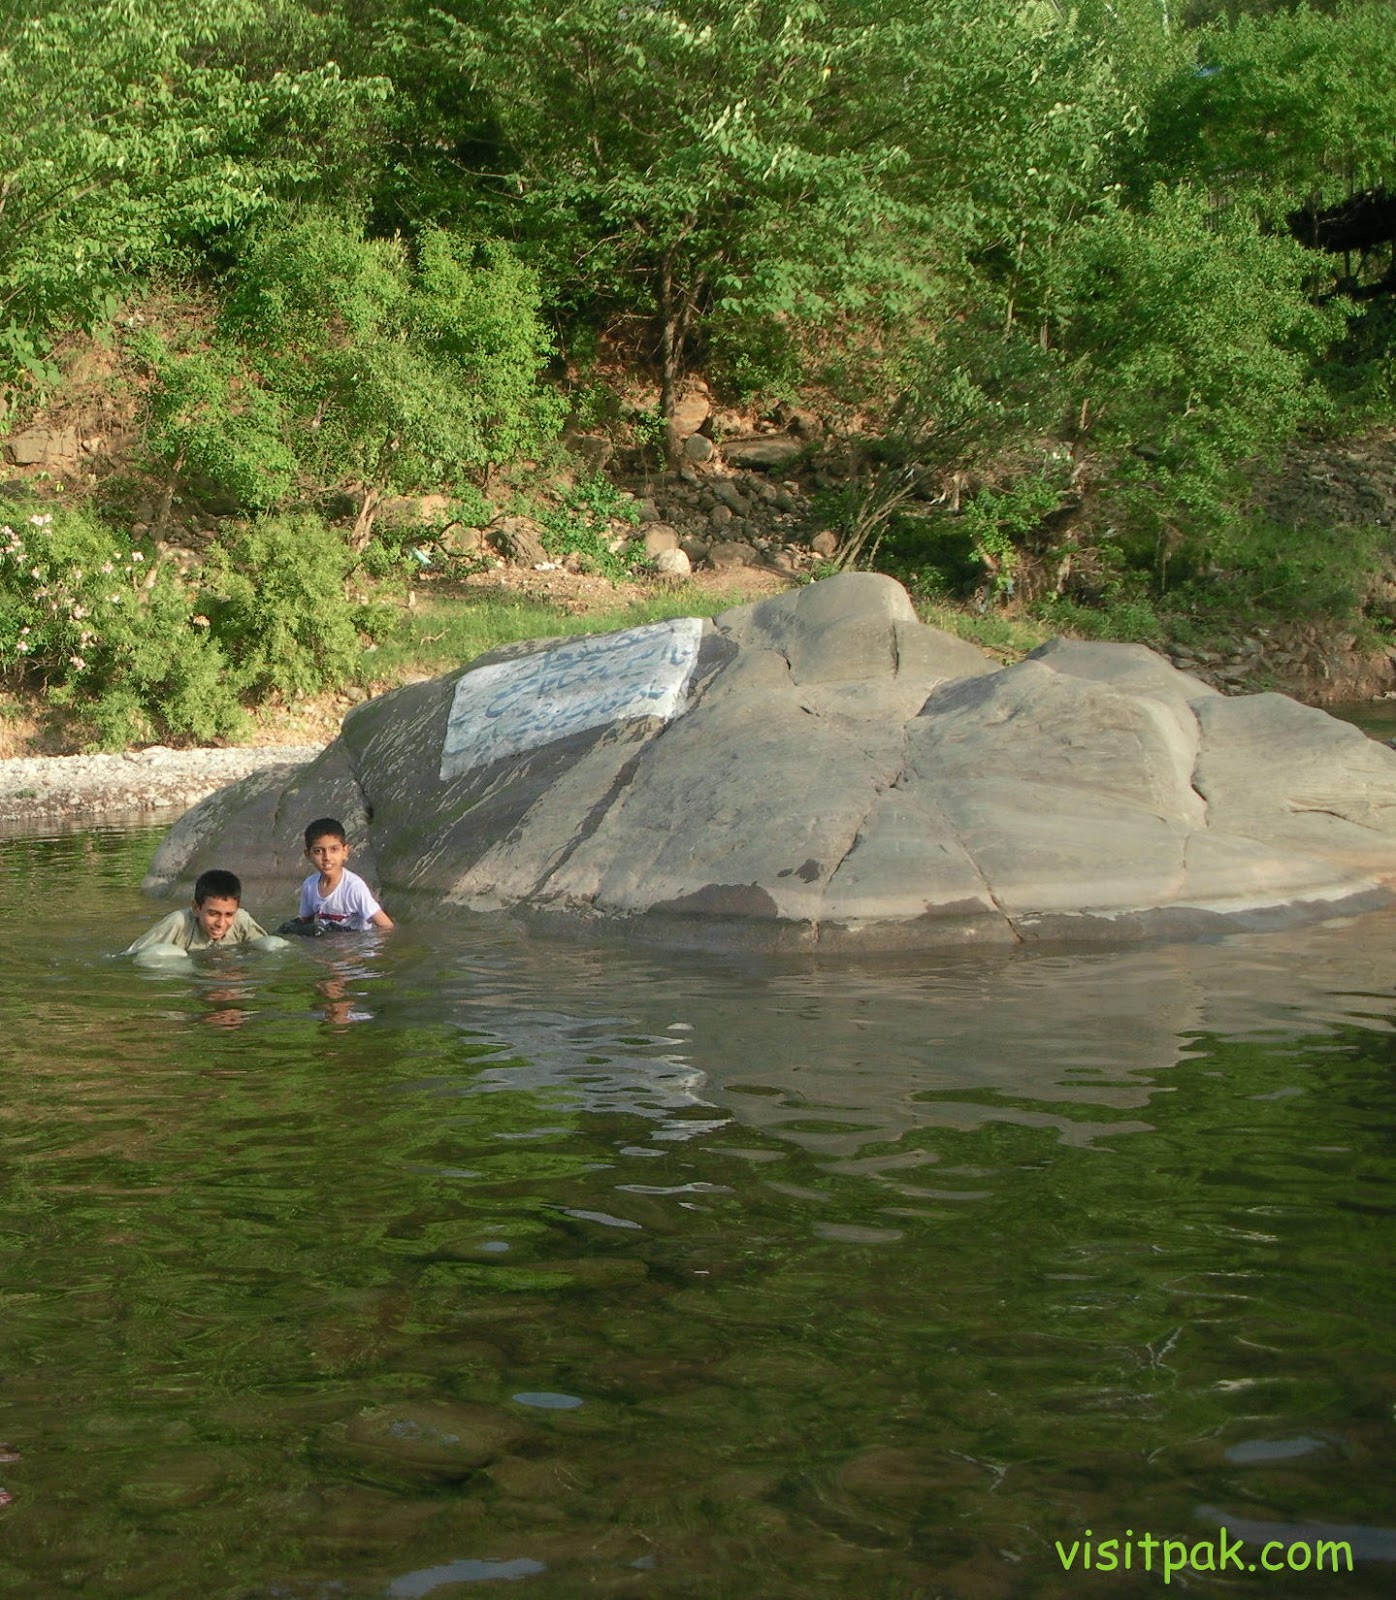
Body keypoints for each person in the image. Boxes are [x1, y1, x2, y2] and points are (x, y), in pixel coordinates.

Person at [126, 868, 269, 953]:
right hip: (187, 974)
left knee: (274, 943)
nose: (221, 923)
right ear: (196, 908)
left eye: (229, 914)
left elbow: (268, 948)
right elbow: (134, 954)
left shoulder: (242, 920)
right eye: (213, 914)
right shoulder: (178, 923)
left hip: (225, 970)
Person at [294, 817, 393, 932]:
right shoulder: (309, 886)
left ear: (345, 851)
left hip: (355, 944)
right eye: (318, 851)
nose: (327, 857)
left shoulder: (354, 887)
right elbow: (305, 922)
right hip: (328, 943)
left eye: (334, 849)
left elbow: (386, 926)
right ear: (308, 855)